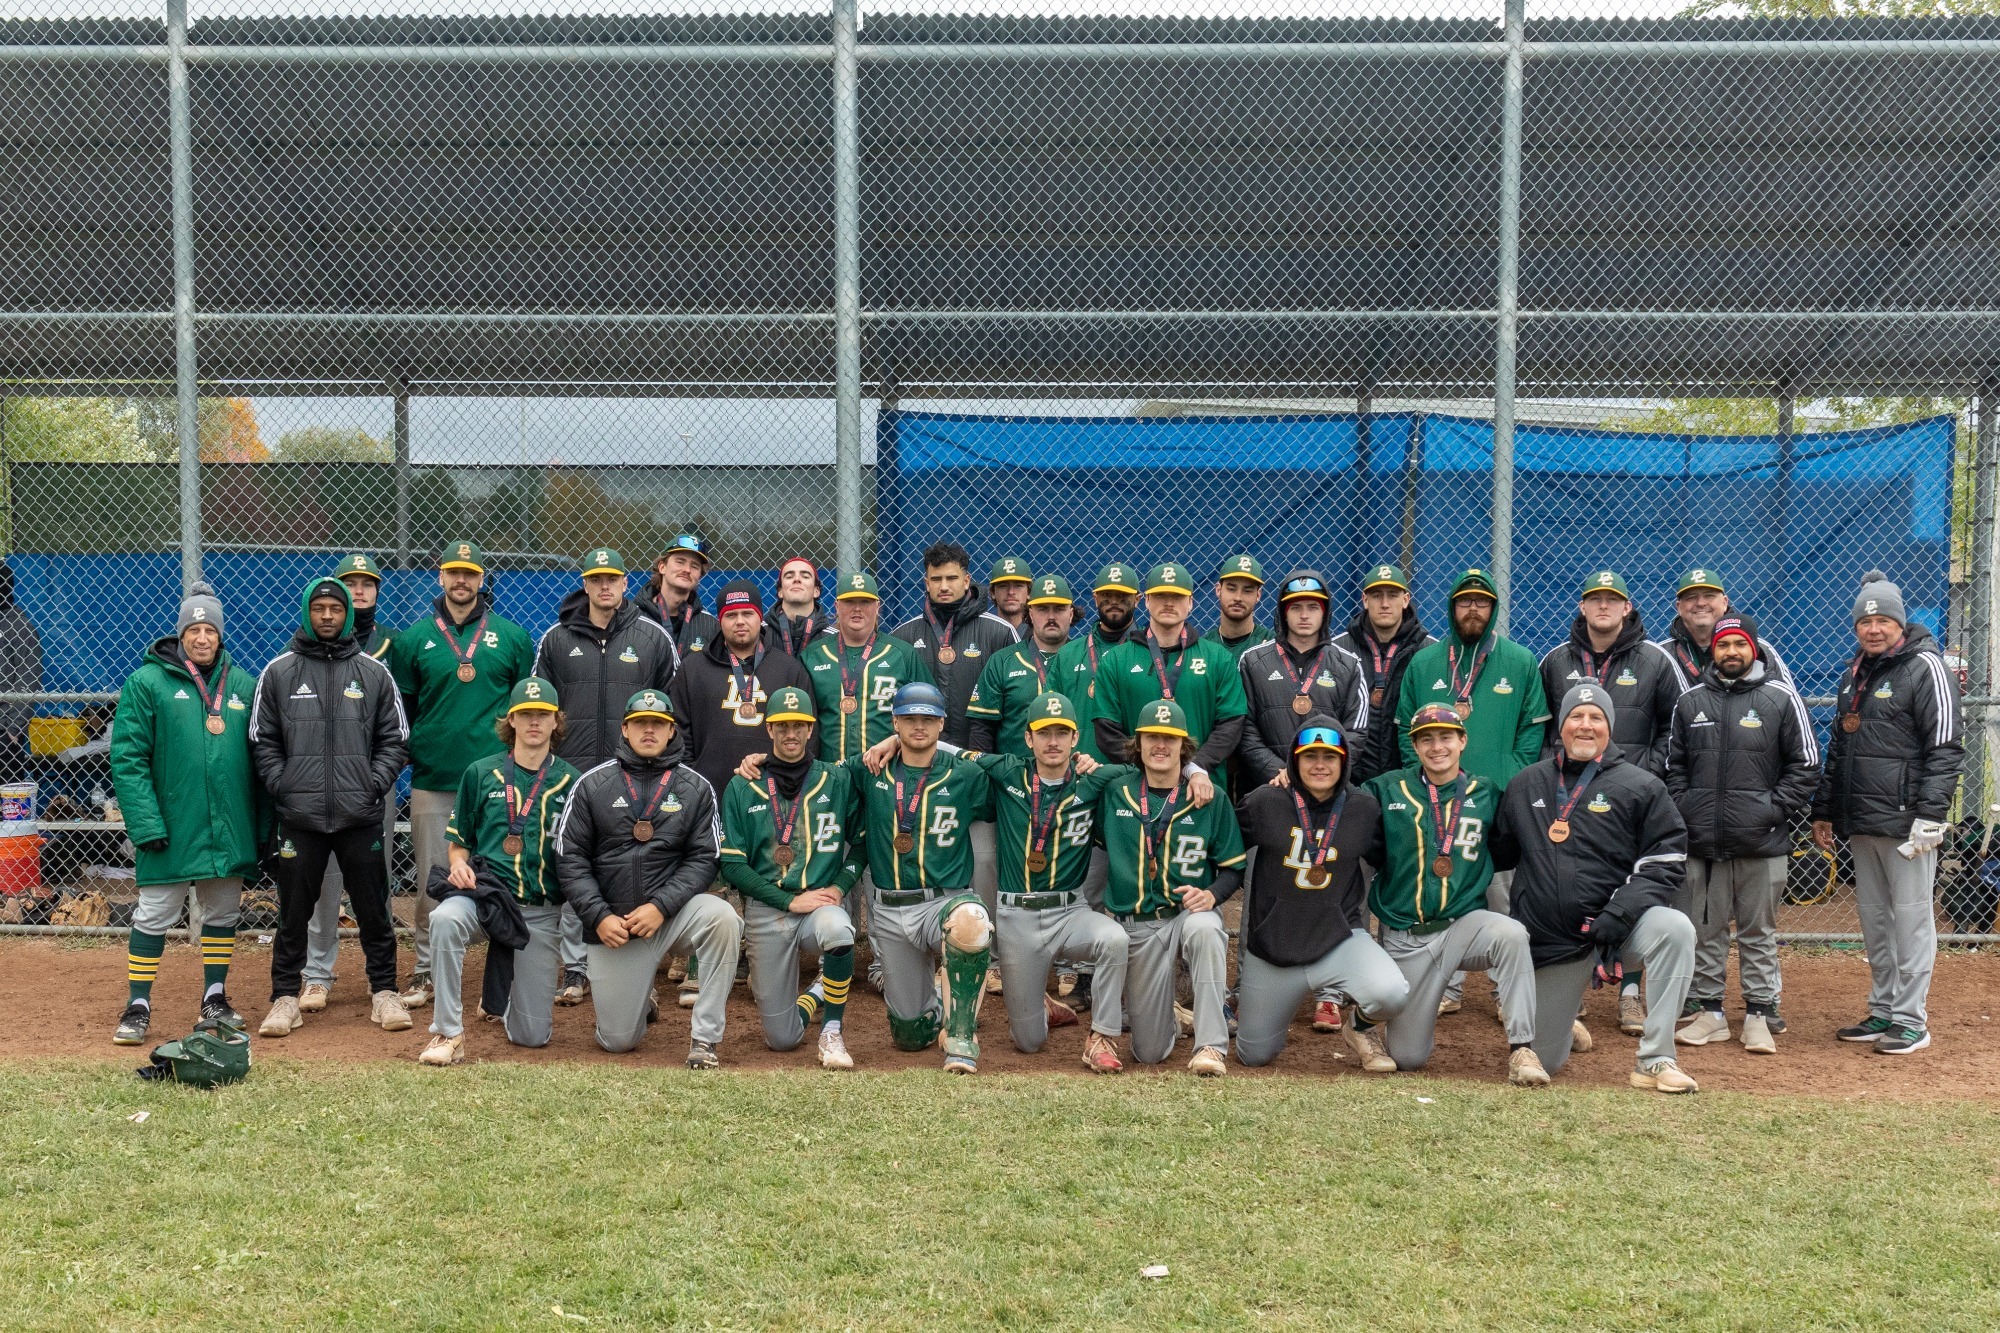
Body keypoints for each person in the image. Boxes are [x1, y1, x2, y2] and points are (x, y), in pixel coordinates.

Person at [1492, 684, 1700, 1093]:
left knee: (1676, 930)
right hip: (1554, 942)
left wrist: (1619, 912)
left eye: (1596, 718)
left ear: (1609, 728)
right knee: (1547, 1059)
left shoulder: (1642, 785)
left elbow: (1668, 860)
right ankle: (1563, 1021)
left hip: (1620, 931)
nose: (1585, 725)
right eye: (1576, 716)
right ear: (1561, 726)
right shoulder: (1527, 784)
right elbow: (1497, 854)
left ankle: (1656, 1059)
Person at [936, 691, 1131, 1071]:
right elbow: (952, 751)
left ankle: (1102, 1036)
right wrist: (896, 739)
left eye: (1062, 732)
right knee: (1029, 1042)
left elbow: (1152, 769)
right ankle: (1043, 1005)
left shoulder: (1093, 778)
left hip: (1070, 910)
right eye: (1044, 733)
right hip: (1017, 916)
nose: (1053, 741)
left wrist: (1197, 772)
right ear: (1029, 738)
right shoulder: (1009, 770)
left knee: (1114, 938)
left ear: (1077, 739)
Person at [250, 577, 409, 1039]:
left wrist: (372, 785)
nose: (326, 616)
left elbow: (395, 739)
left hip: (360, 815)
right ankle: (284, 997)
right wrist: (284, 786)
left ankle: (384, 992)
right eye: (318, 608)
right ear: (306, 612)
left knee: (374, 908)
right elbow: (263, 741)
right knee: (293, 910)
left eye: (334, 610)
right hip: (300, 819)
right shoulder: (279, 673)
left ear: (347, 616)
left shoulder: (374, 672)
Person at [1811, 572, 1962, 1055]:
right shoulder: (1855, 672)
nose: (1873, 628)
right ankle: (1883, 1008)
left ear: (1900, 621)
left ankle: (1911, 1020)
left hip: (1907, 823)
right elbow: (1839, 749)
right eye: (1865, 621)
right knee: (1876, 921)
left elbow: (1945, 748)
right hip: (1862, 821)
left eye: (1883, 619)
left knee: (1912, 920)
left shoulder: (1926, 667)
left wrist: (1930, 815)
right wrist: (1826, 811)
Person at [107, 582, 263, 1045]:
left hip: (228, 825)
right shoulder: (146, 683)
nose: (201, 638)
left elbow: (262, 759)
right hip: (170, 826)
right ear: (180, 635)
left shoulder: (243, 685)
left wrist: (261, 828)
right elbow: (128, 758)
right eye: (192, 629)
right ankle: (138, 1005)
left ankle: (214, 998)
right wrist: (145, 823)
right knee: (155, 914)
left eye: (209, 629)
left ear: (220, 635)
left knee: (222, 912)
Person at [1361, 703, 1549, 1084]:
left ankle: (1523, 1048)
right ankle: (1359, 1026)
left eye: (1446, 736)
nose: (1436, 747)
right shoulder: (1384, 788)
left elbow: (1506, 851)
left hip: (1464, 926)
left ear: (1462, 740)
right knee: (1409, 1058)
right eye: (1425, 739)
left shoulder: (1486, 792)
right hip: (1407, 936)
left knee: (1511, 934)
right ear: (1414, 745)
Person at [386, 540, 536, 1009]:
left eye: (470, 573)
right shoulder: (413, 640)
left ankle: (509, 971)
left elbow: (523, 710)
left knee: (505, 873)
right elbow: (404, 711)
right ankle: (426, 970)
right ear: (440, 576)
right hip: (434, 777)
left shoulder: (512, 638)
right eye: (453, 572)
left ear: (482, 578)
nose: (461, 580)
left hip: (498, 782)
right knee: (436, 875)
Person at [553, 688, 738, 1066]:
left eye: (659, 724)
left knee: (724, 919)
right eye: (640, 723)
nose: (649, 730)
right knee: (618, 1041)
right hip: (617, 926)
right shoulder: (592, 784)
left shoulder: (696, 786)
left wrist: (660, 906)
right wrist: (599, 916)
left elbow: (706, 858)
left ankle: (704, 1039)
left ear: (672, 731)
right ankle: (640, 1002)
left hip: (671, 916)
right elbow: (569, 858)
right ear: (624, 728)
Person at [532, 546, 682, 1003]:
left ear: (623, 583)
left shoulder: (653, 637)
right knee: (576, 861)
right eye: (595, 579)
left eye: (612, 579)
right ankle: (576, 968)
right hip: (574, 771)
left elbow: (674, 708)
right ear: (585, 583)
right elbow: (541, 707)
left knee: (633, 864)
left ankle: (639, 965)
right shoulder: (557, 638)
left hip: (637, 773)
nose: (604, 586)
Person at [1665, 615, 1819, 1055]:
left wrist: (1770, 811)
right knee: (1706, 928)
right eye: (1722, 645)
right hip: (1703, 843)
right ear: (1711, 651)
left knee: (1758, 931)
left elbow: (1806, 765)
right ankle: (1711, 1014)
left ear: (1753, 649)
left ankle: (1758, 1014)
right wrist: (1687, 810)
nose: (1731, 652)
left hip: (1761, 840)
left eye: (1739, 644)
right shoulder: (1690, 702)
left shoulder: (1780, 699)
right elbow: (1673, 767)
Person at [832, 682, 995, 1073]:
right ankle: (942, 1005)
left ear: (942, 724)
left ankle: (960, 1033)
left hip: (944, 899)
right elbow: (816, 775)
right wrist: (758, 763)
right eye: (908, 719)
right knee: (909, 1035)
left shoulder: (967, 774)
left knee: (971, 921)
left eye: (927, 719)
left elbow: (1020, 774)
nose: (918, 726)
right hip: (888, 908)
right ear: (895, 723)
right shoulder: (871, 768)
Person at [1233, 718, 1413, 1070]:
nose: (1319, 765)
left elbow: (1393, 860)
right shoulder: (1264, 802)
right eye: (1309, 756)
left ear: (1344, 762)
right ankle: (1272, 1019)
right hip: (1274, 948)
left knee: (1391, 993)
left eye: (1329, 757)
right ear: (1293, 761)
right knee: (1253, 1056)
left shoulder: (1363, 808)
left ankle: (1360, 1028)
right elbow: (1223, 851)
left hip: (1338, 940)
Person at [420, 677, 582, 1065]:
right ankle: (447, 1032)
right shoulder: (480, 772)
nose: (533, 722)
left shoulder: (571, 780)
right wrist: (458, 865)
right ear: (510, 720)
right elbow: (459, 844)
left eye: (542, 715)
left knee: (531, 1037)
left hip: (539, 911)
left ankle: (504, 996)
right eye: (524, 714)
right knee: (443, 918)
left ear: (555, 722)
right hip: (486, 897)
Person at [1092, 697, 1244, 1075]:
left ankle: (1211, 1044)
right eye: (1152, 737)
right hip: (1139, 923)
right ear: (1138, 744)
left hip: (1186, 913)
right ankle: (1171, 1023)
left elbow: (1233, 869)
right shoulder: (1115, 792)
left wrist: (1212, 894)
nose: (1161, 746)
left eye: (1170, 739)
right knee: (1149, 1051)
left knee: (1207, 927)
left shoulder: (1209, 797)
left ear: (1183, 747)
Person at [716, 686, 863, 1070]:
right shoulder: (742, 785)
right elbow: (732, 866)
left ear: (812, 729)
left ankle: (832, 1031)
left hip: (819, 903)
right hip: (769, 907)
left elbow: (862, 843)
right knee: (781, 1040)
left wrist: (840, 886)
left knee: (838, 930)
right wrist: (787, 901)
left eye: (800, 725)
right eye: (783, 725)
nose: (791, 733)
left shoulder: (836, 779)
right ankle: (815, 995)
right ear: (769, 729)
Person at [300, 552, 396, 1015]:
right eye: (349, 583)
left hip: (370, 782)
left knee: (373, 884)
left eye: (367, 584)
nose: (358, 591)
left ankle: (383, 981)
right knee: (322, 882)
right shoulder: (304, 650)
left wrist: (377, 778)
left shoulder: (391, 646)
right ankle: (317, 973)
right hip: (316, 785)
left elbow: (400, 719)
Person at [1092, 562, 1246, 799]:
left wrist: (1194, 768)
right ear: (1146, 601)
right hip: (1134, 789)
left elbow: (1231, 725)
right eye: (1160, 595)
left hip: (1200, 788)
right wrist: (1151, 769)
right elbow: (1106, 730)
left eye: (1176, 596)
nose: (1168, 603)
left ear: (1191, 602)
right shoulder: (1116, 659)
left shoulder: (1218, 659)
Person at [1537, 570, 1680, 777]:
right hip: (1565, 782)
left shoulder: (1655, 660)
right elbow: (1539, 726)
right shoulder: (1556, 661)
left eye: (1612, 599)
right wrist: (1551, 766)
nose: (1603, 606)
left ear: (1626, 608)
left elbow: (1675, 725)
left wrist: (1649, 772)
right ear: (1583, 607)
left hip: (1630, 786)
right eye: (1595, 599)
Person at [1236, 569, 1370, 787]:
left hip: (1326, 787)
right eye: (1296, 607)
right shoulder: (1253, 662)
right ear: (1283, 613)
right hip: (1270, 786)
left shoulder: (1349, 664)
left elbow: (1356, 731)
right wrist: (1278, 771)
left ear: (1325, 612)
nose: (1304, 615)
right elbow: (1244, 729)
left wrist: (1321, 774)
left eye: (1313, 607)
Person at [889, 541, 1019, 747]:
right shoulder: (903, 636)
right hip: (919, 756)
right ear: (926, 583)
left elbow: (1016, 705)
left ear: (966, 581)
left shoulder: (1000, 632)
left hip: (980, 756)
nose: (944, 586)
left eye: (951, 578)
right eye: (936, 579)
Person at [799, 571, 933, 763]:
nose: (857, 609)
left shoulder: (902, 654)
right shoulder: (813, 655)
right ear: (836, 606)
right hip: (828, 772)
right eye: (849, 602)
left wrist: (897, 740)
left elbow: (929, 712)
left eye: (865, 602)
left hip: (887, 771)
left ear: (878, 606)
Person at [966, 573, 1092, 757]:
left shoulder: (1090, 660)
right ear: (1030, 613)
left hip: (1076, 777)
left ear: (1071, 613)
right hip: (1015, 778)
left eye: (1059, 609)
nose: (1051, 616)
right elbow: (982, 729)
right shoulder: (1003, 661)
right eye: (1042, 609)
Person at [1332, 563, 1434, 786]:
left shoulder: (1429, 652)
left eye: (1393, 595)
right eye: (1376, 595)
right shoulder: (1336, 651)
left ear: (1406, 600)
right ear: (1365, 600)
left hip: (1411, 778)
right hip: (1349, 779)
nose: (1385, 603)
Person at [1050, 561, 1143, 764]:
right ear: (1094, 598)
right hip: (1077, 769)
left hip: (1131, 773)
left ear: (1137, 599)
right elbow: (1050, 719)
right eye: (1106, 595)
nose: (1114, 601)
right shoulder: (1067, 654)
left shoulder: (1148, 654)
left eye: (1122, 596)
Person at [1655, 566, 1792, 691]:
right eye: (1691, 597)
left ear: (1725, 602)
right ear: (1679, 607)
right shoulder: (1661, 655)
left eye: (1709, 596)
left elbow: (1788, 702)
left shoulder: (1761, 650)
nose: (1701, 603)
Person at [645, 532, 721, 655]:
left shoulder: (711, 626)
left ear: (700, 575)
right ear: (662, 567)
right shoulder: (633, 618)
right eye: (680, 562)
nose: (687, 570)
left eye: (695, 566)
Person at [0, 564, 42, 784]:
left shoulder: (19, 626)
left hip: (3, 728)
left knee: (9, 803)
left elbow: (29, 677)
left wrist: (13, 728)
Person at [1203, 553, 1273, 663]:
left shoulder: (1273, 645)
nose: (1238, 598)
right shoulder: (1203, 649)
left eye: (1247, 591)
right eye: (1231, 589)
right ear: (1218, 590)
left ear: (1258, 595)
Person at [770, 556, 832, 657]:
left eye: (805, 576)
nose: (797, 579)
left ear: (816, 591)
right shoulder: (760, 634)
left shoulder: (834, 638)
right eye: (789, 576)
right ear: (780, 591)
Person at [987, 555, 1033, 639]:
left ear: (1028, 592)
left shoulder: (1040, 636)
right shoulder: (984, 634)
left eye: (1018, 586)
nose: (1011, 592)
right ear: (993, 593)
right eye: (1003, 586)